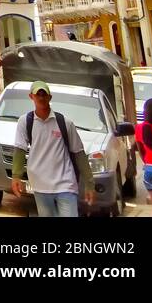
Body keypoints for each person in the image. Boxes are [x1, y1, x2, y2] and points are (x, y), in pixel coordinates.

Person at [10, 81, 95, 218]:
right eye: (38, 95)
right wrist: (16, 176)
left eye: (44, 95)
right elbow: (20, 149)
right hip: (40, 184)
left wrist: (89, 184)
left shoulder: (64, 122)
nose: (42, 98)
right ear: (31, 97)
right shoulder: (25, 122)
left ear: (50, 97)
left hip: (65, 183)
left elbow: (79, 153)